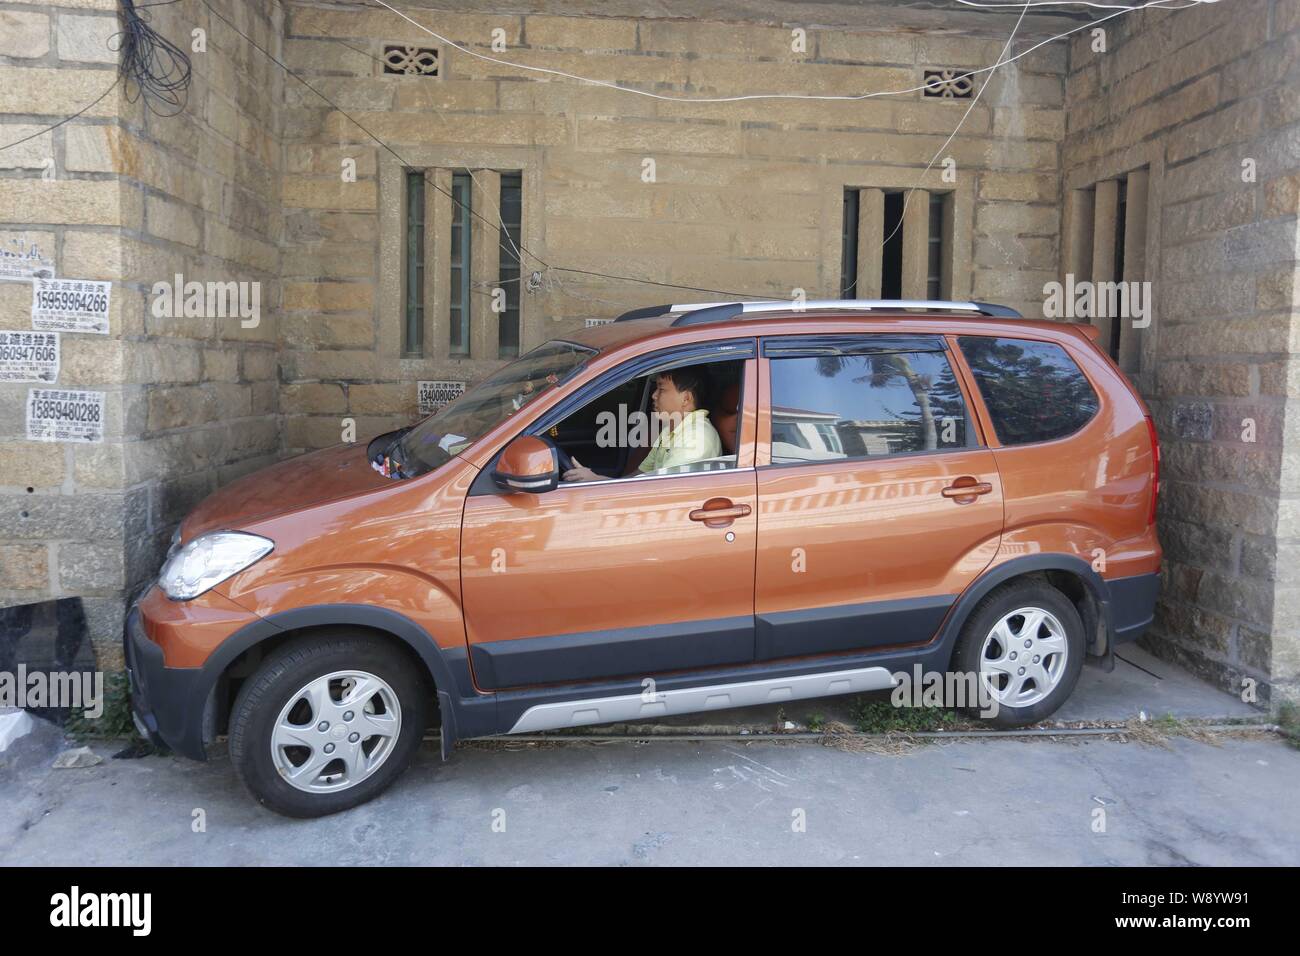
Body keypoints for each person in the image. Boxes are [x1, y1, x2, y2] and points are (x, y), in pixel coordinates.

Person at [562, 366, 722, 481]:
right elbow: (638, 477)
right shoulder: (671, 430)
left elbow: (661, 490)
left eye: (662, 389)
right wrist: (597, 479)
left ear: (686, 399)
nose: (653, 395)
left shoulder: (696, 438)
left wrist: (596, 481)